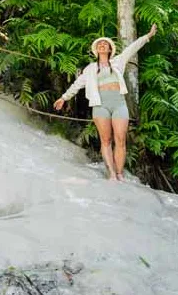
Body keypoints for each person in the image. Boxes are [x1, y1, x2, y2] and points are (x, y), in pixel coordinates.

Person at [54, 24, 158, 181]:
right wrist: (64, 98)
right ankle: (111, 174)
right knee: (106, 140)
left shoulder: (118, 62)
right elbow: (77, 85)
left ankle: (120, 173)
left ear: (110, 49)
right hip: (100, 105)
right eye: (99, 44)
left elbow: (133, 47)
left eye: (105, 44)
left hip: (119, 103)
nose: (102, 45)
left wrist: (148, 35)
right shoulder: (90, 69)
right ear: (96, 50)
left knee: (121, 139)